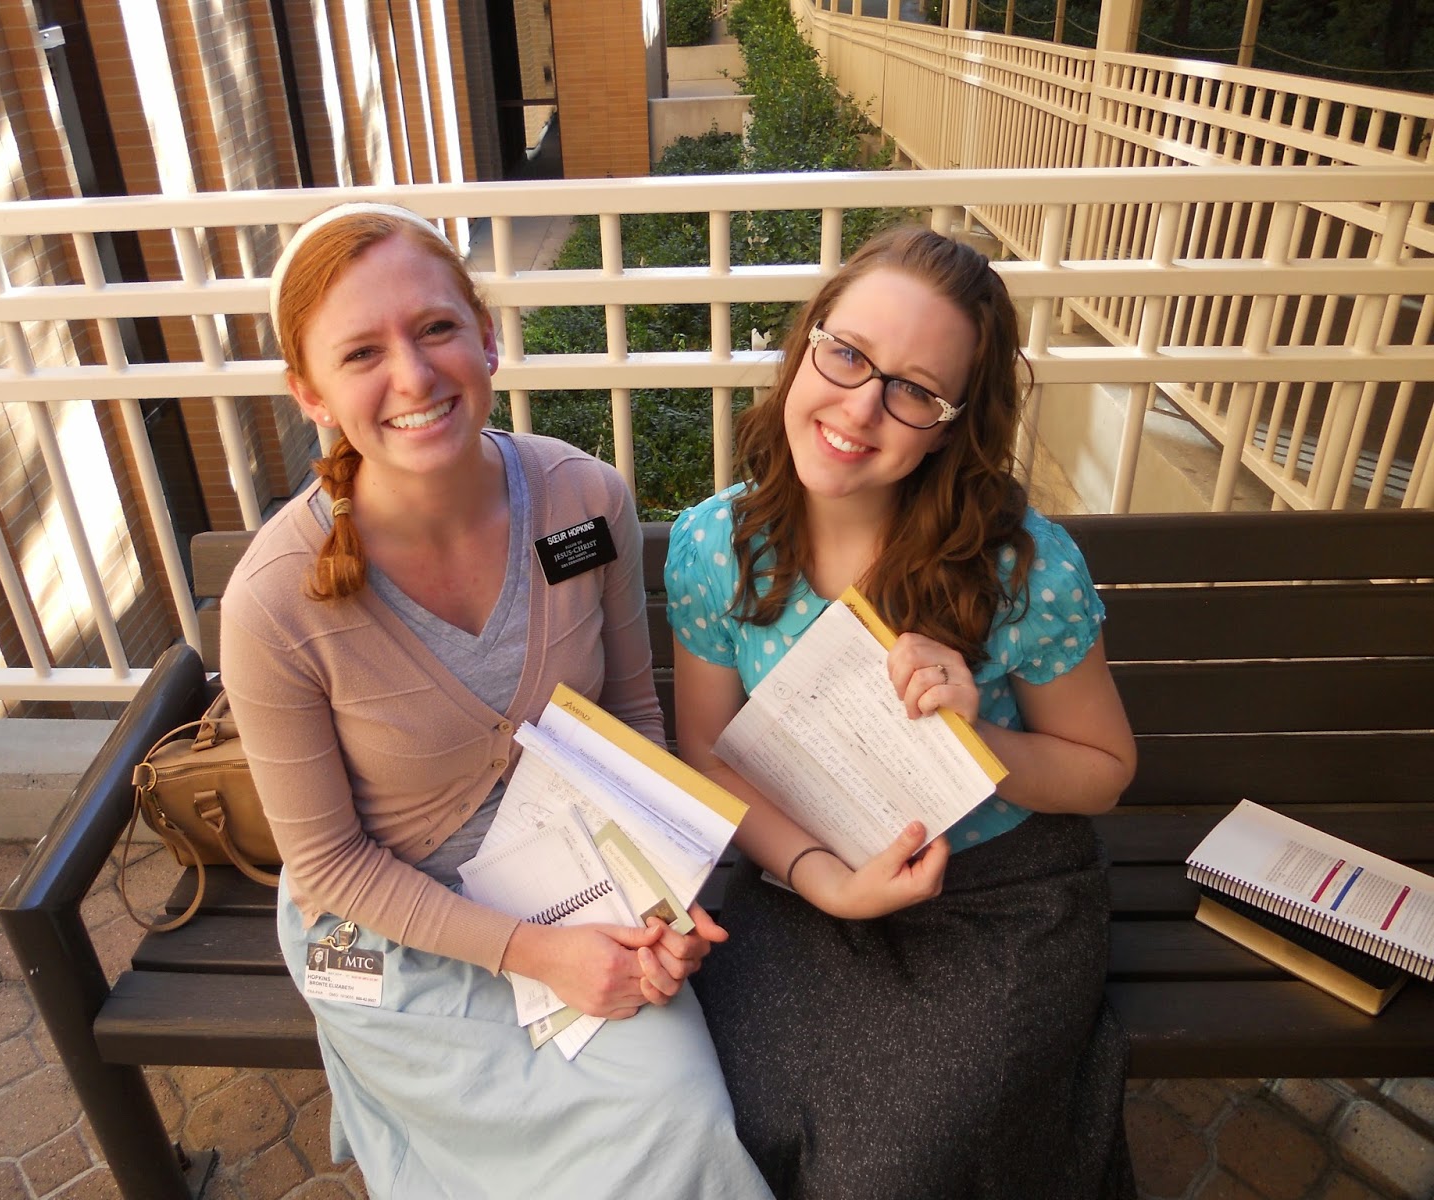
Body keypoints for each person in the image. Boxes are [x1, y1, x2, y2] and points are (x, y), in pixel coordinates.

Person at [220, 202, 771, 1199]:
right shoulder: (273, 603)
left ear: (485, 335)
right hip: (372, 922)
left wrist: (659, 890)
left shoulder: (582, 502)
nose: (414, 377)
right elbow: (331, 864)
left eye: (435, 329)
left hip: (574, 870)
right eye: (361, 354)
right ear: (309, 393)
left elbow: (631, 723)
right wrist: (535, 956)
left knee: (676, 1120)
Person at [665, 225, 1139, 1200]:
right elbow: (707, 751)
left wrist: (976, 735)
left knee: (900, 1164)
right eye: (845, 354)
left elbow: (1101, 767)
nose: (858, 406)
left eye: (914, 389)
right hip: (800, 871)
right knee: (727, 1123)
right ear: (807, 342)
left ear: (952, 422)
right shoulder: (719, 545)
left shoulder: (1018, 566)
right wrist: (821, 879)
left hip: (996, 892)